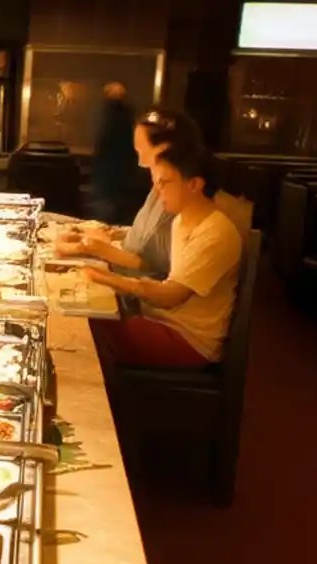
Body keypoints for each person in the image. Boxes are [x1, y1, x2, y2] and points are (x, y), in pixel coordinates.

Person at [86, 145, 243, 369]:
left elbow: (171, 296)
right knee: (90, 312)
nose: (158, 193)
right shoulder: (180, 220)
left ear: (194, 185)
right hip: (161, 321)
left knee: (91, 328)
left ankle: (114, 400)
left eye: (164, 183)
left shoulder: (215, 233)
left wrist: (109, 279)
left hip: (188, 339)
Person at [55, 107, 205, 280]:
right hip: (124, 269)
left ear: (164, 149)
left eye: (142, 150)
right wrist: (114, 234)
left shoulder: (176, 192)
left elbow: (158, 266)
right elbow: (144, 239)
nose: (140, 161)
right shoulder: (159, 185)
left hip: (143, 287)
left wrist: (98, 248)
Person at [90, 82, 140, 225]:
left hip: (109, 171)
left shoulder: (107, 115)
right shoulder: (128, 116)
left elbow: (103, 140)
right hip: (122, 170)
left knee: (106, 209)